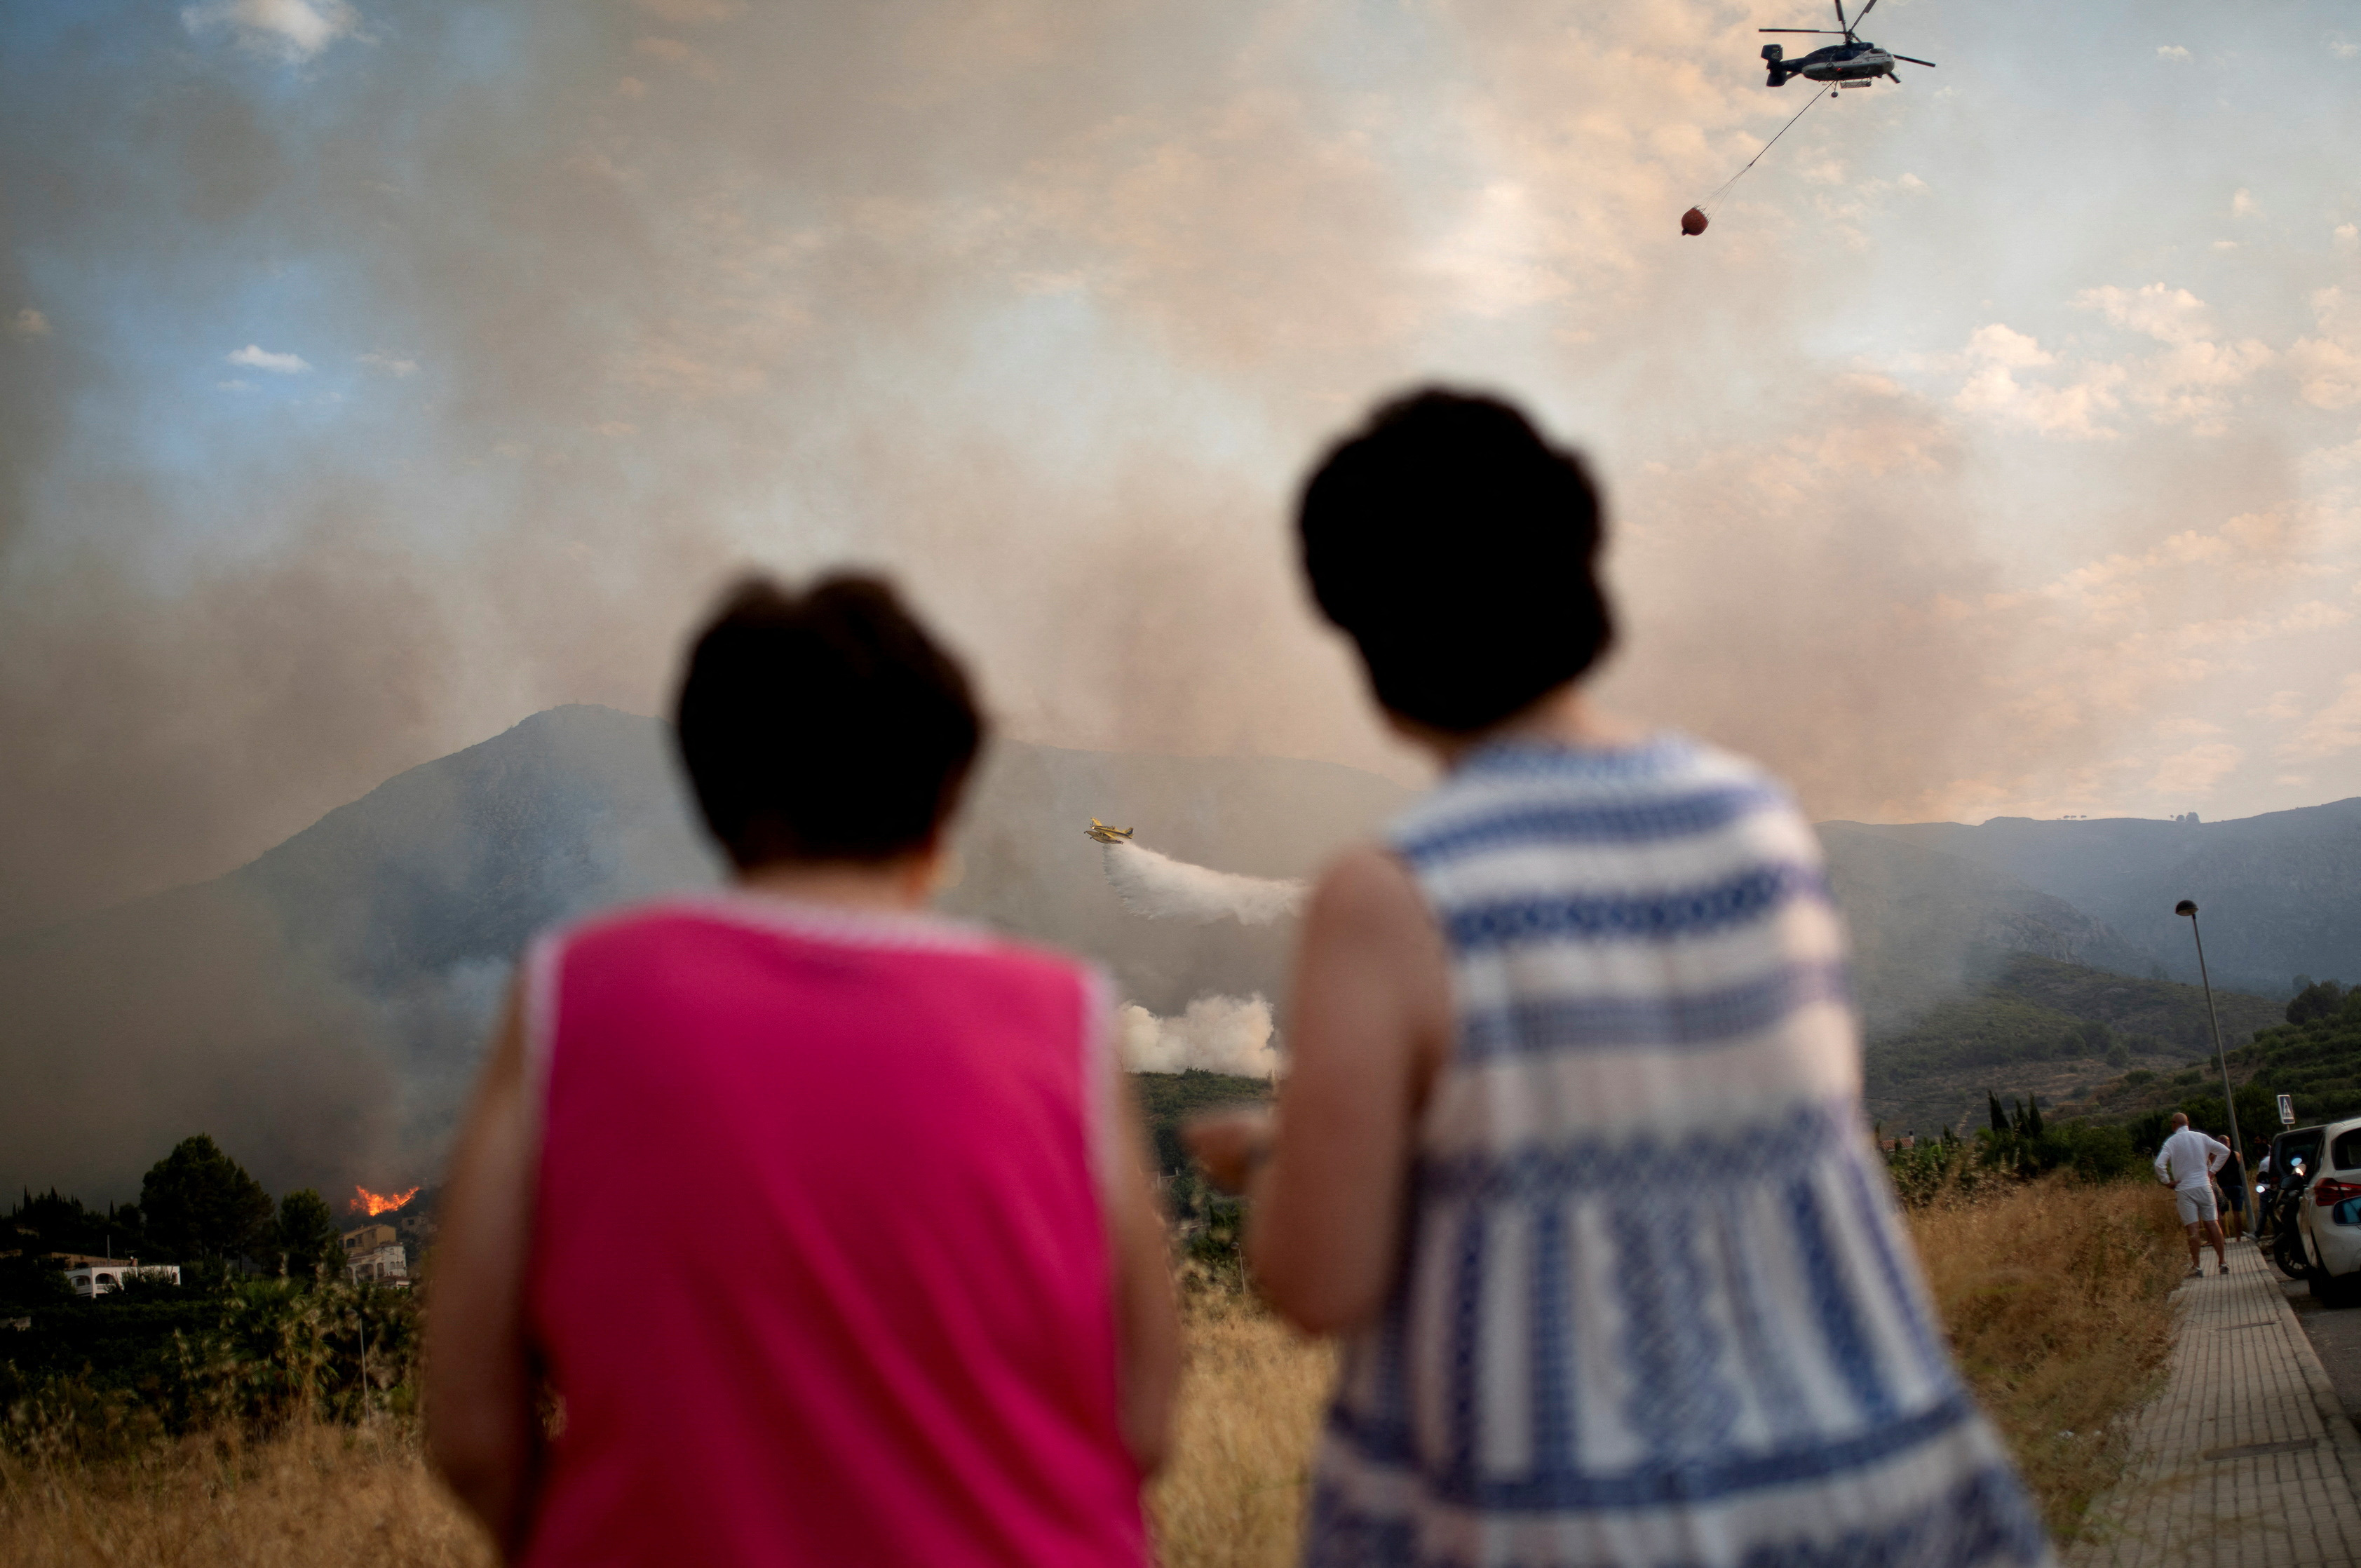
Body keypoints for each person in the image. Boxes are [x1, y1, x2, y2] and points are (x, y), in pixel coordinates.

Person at [1187, 390, 2050, 1568]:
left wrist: (1280, 1154)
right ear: (1583, 577)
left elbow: (1316, 1283)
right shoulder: (1760, 827)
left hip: (1559, 1523)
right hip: (1868, 1500)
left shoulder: (1388, 897)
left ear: (1372, 645)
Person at [426, 576, 1178, 1567]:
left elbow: (471, 1431)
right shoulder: (1062, 1015)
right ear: (948, 789)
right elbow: (1146, 1410)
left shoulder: (569, 993)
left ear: (706, 785)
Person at [2153, 1111, 2231, 1278]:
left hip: (2185, 1189)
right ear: (2187, 1123)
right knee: (2213, 1224)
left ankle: (2197, 1266)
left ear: (2174, 1124)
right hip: (2204, 1186)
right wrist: (2212, 1172)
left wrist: (2167, 1181)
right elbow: (2225, 1151)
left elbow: (2159, 1164)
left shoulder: (2172, 1142)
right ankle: (2223, 1263)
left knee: (2193, 1228)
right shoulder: (2201, 1137)